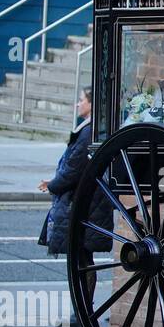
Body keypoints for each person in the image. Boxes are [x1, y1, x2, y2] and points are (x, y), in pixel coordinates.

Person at [39, 89, 111, 264]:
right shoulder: (91, 129)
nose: (77, 104)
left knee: (82, 260)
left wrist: (53, 185)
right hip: (91, 197)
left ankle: (83, 293)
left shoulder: (88, 133)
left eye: (81, 100)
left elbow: (73, 169)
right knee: (83, 259)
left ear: (91, 104)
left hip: (83, 200)